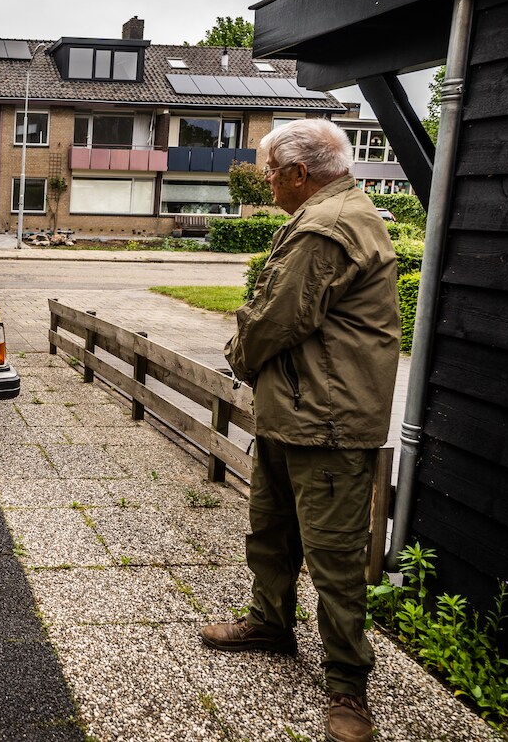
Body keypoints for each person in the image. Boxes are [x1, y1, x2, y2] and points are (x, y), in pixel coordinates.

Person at [200, 118, 400, 742]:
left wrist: (240, 353)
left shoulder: (325, 226)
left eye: (268, 171)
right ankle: (270, 623)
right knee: (272, 528)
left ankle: (347, 686)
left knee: (335, 557)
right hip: (298, 410)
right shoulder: (331, 211)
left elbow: (275, 319)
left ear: (297, 173)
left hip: (330, 421)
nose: (265, 182)